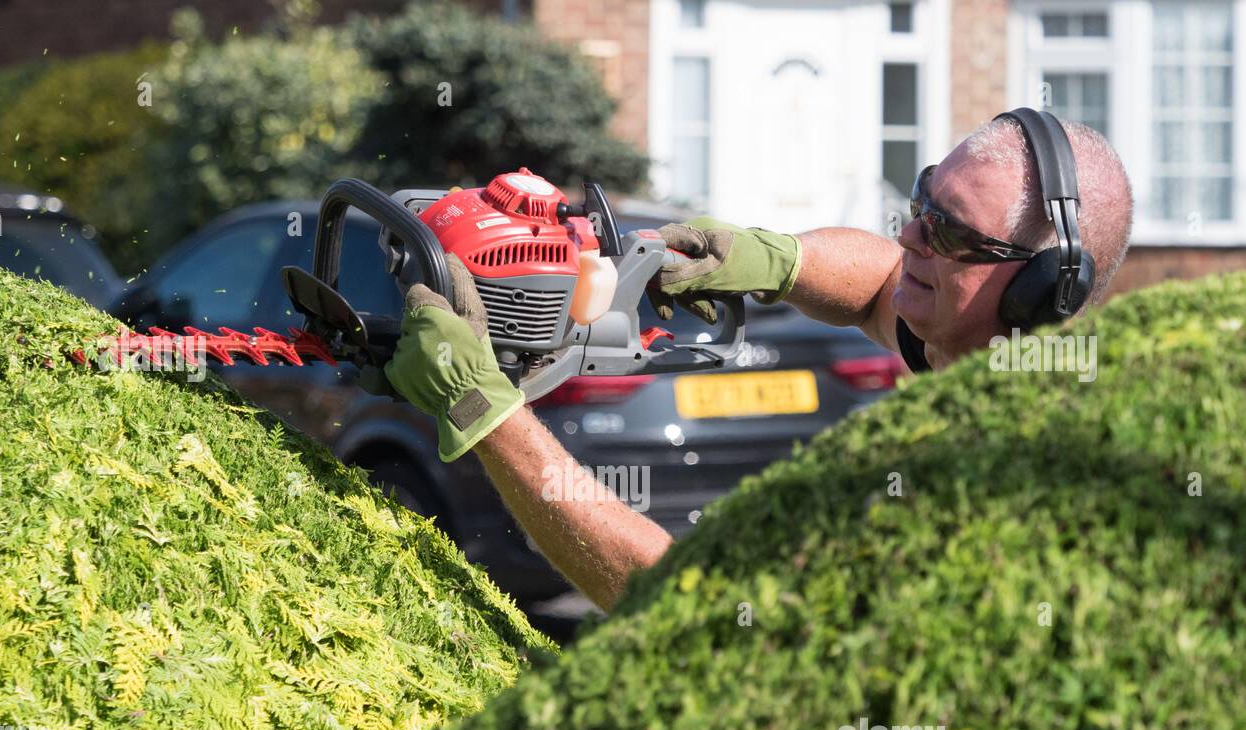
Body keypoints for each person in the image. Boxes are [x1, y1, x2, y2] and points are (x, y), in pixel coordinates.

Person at [382, 112, 1135, 612]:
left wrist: (484, 410)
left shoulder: (996, 489)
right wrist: (770, 258)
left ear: (1040, 290)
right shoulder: (974, 345)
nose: (910, 235)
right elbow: (880, 282)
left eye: (948, 232)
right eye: (920, 202)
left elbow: (688, 604)